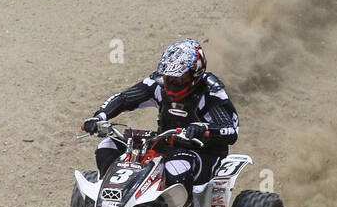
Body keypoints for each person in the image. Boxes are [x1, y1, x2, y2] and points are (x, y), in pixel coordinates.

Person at [82, 38, 238, 193]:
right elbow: (124, 99)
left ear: (195, 74)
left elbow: (230, 130)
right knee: (107, 146)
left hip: (202, 152)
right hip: (165, 144)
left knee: (175, 168)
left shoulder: (211, 93)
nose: (172, 82)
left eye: (179, 78)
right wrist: (100, 117)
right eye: (169, 77)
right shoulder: (158, 84)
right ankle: (105, 193)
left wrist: (203, 128)